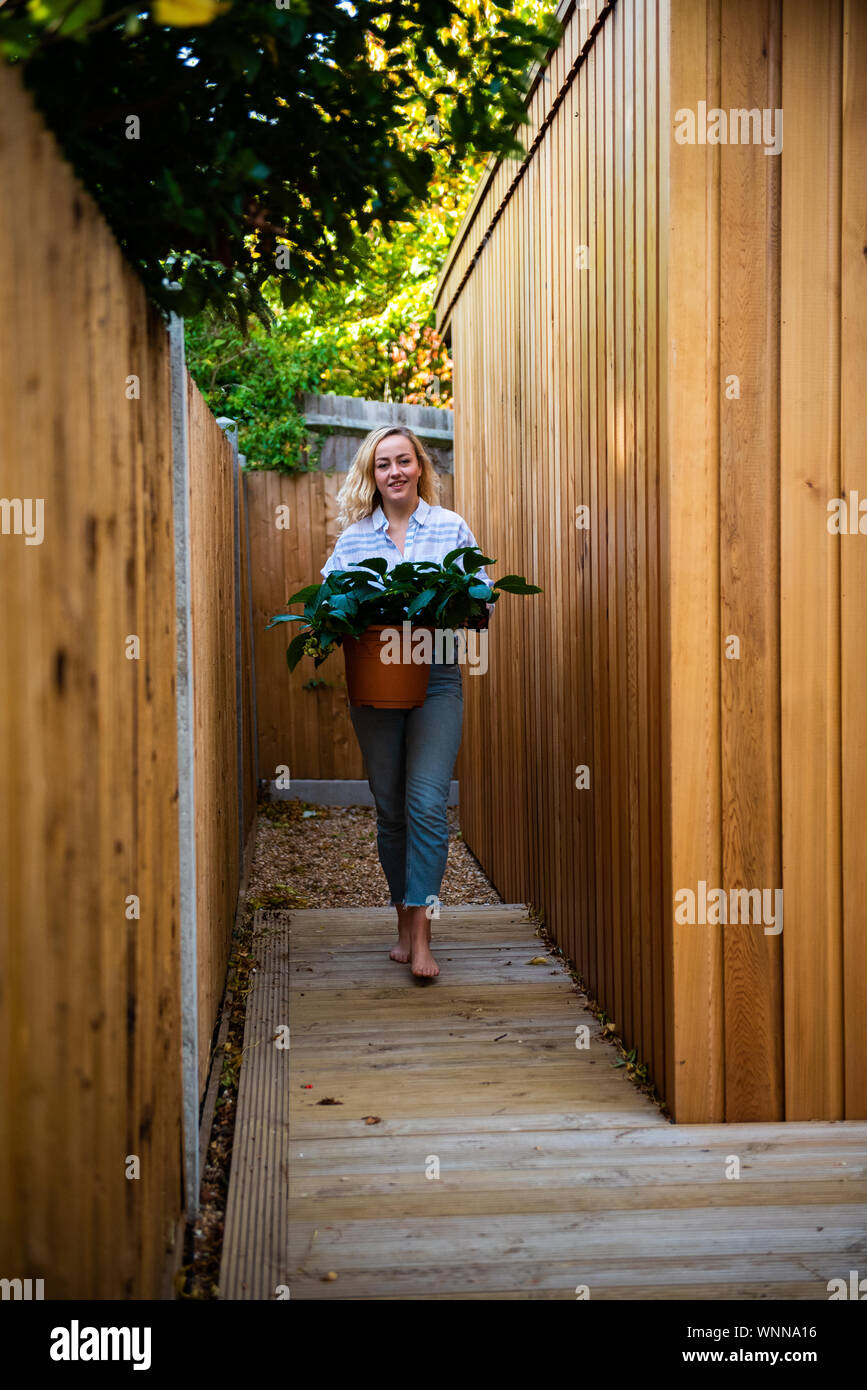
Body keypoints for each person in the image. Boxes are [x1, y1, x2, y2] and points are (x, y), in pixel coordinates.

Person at [320, 425, 493, 979]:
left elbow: (482, 598)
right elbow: (327, 607)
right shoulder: (355, 539)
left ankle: (422, 937)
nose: (394, 472)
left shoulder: (449, 527)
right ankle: (402, 917)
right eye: (382, 465)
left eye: (403, 461)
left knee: (425, 804)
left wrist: (466, 600)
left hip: (436, 676)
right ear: (371, 476)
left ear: (420, 467)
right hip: (376, 683)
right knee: (391, 808)